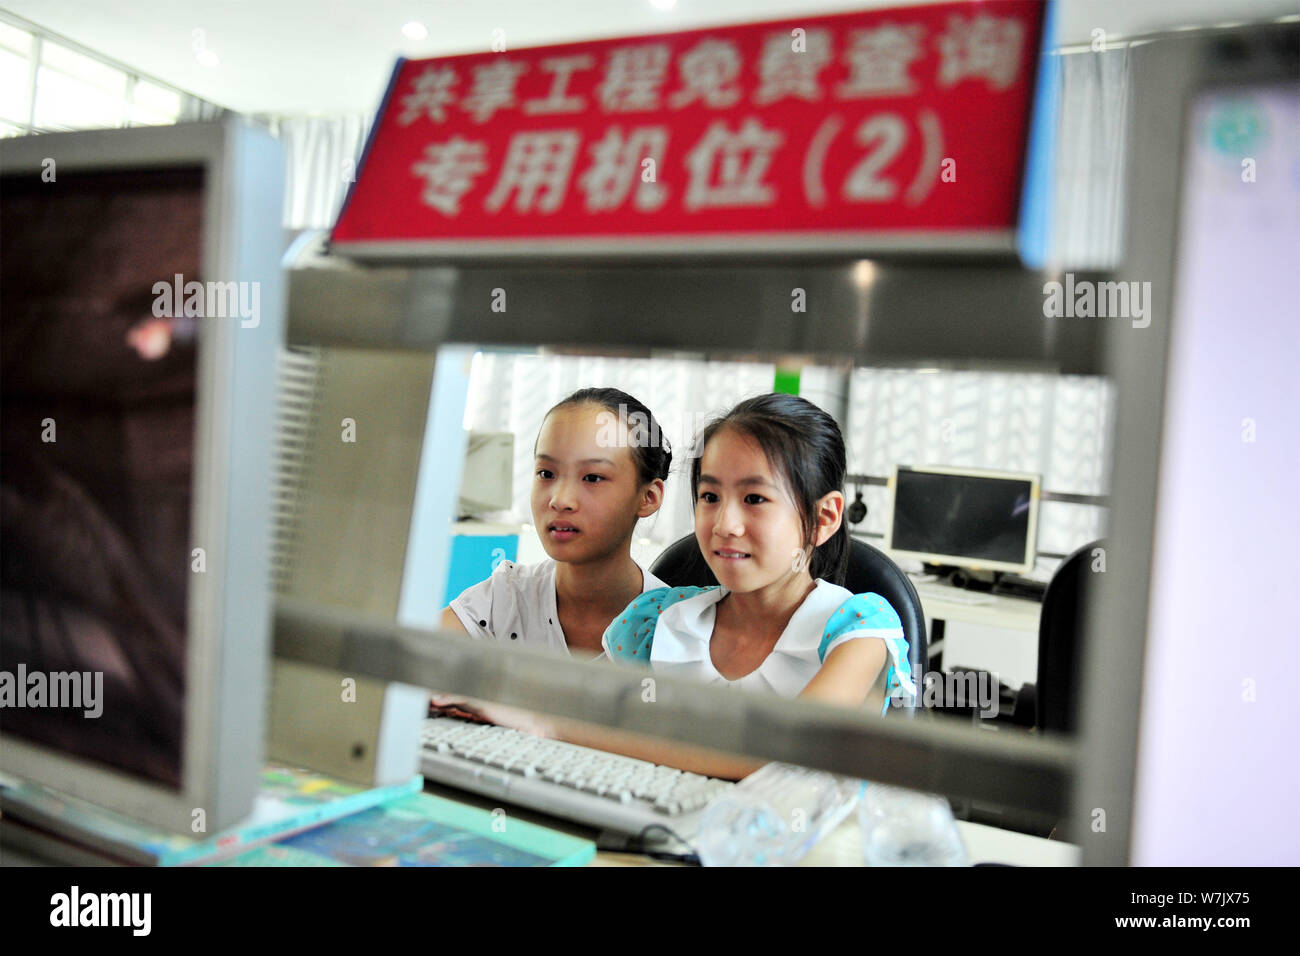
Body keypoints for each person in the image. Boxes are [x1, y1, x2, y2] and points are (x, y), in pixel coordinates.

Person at [446, 392, 915, 780]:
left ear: (825, 517)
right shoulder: (654, 620)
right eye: (710, 496)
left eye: (755, 498)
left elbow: (784, 752)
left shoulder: (859, 629)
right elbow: (601, 729)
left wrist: (547, 722)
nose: (725, 524)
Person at [438, 387, 672, 661]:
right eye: (546, 473)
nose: (560, 500)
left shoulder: (675, 627)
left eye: (593, 478)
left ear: (648, 497)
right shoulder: (506, 599)